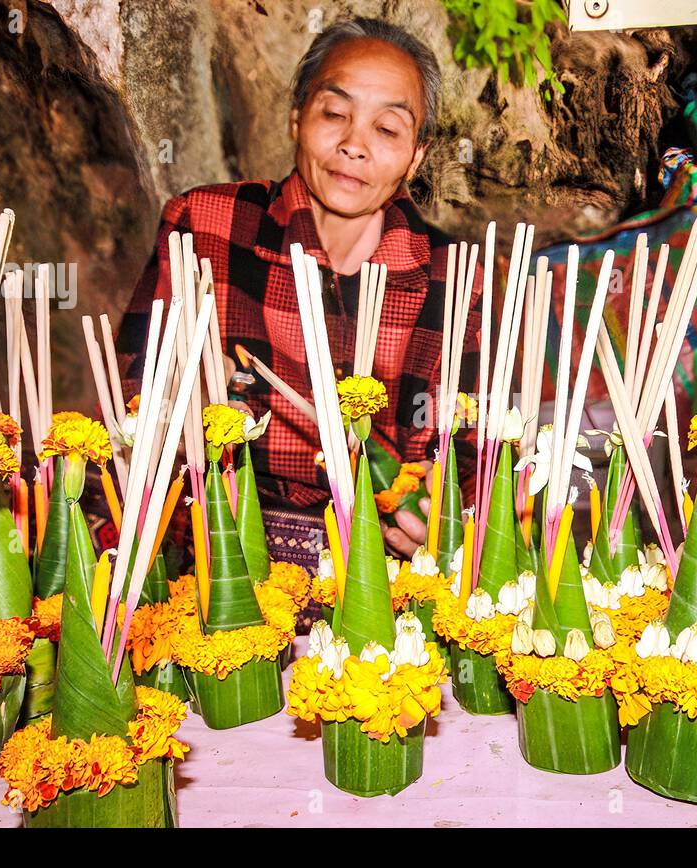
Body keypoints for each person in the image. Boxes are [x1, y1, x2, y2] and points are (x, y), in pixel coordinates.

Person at [119, 18, 479, 564]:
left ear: (417, 154)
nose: (354, 145)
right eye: (334, 114)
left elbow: (468, 452)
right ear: (296, 118)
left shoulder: (451, 273)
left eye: (387, 129)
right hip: (219, 557)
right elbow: (136, 403)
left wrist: (442, 515)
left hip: (379, 577)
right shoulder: (208, 224)